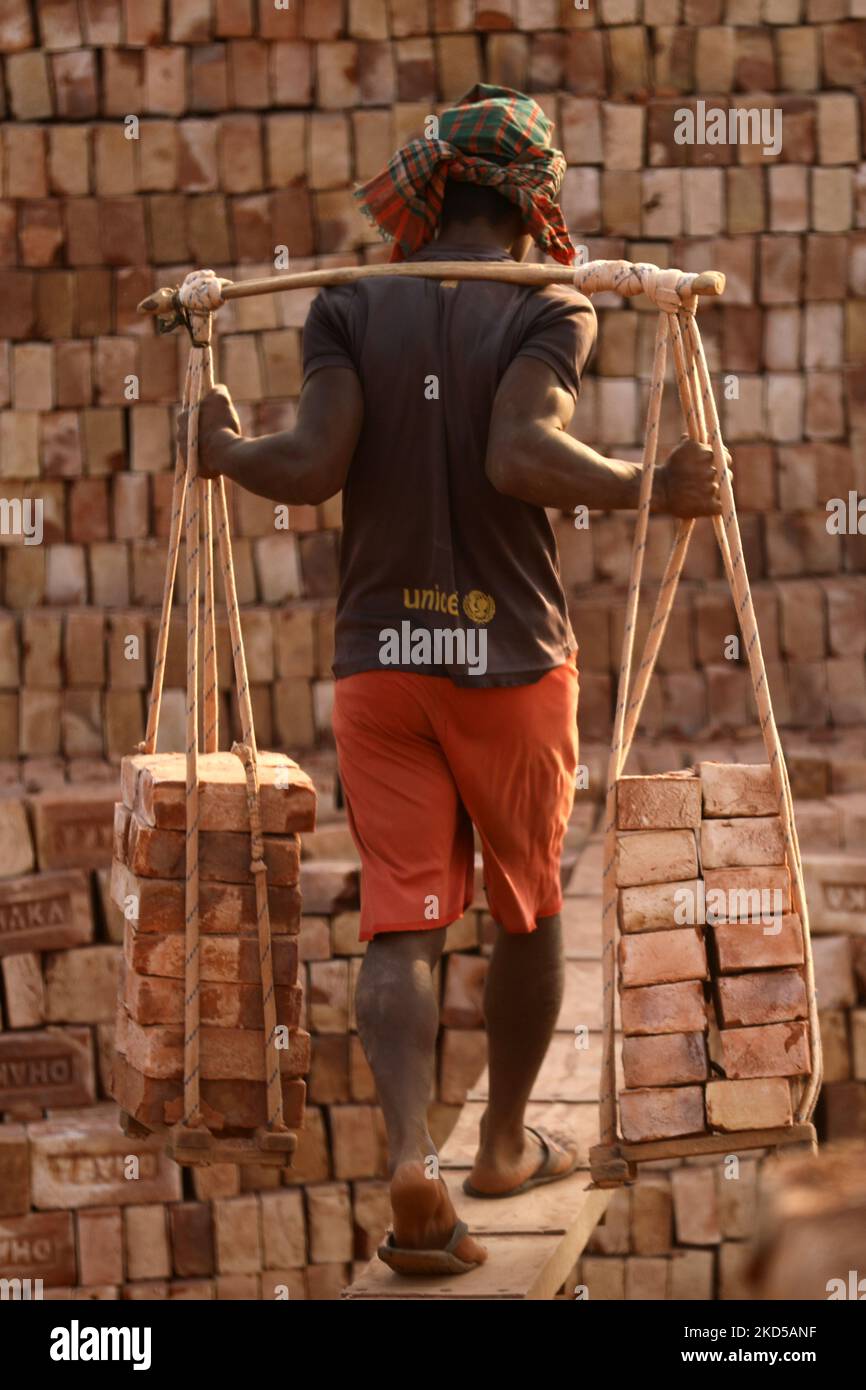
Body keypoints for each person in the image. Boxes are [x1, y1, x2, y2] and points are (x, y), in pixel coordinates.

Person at [179, 85, 723, 1278]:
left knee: (402, 919)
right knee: (525, 907)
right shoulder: (545, 307)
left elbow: (312, 464)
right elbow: (520, 453)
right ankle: (503, 1145)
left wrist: (220, 449)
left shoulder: (349, 303)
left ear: (428, 197)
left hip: (382, 665)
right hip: (508, 662)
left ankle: (411, 1153)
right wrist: (652, 482)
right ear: (528, 207)